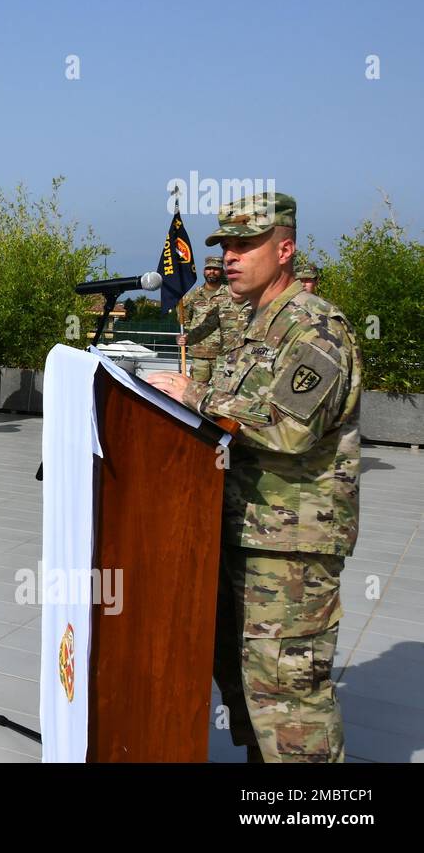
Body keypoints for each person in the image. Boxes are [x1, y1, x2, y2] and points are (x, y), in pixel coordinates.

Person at [146, 192, 361, 764]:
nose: (231, 257)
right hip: (242, 532)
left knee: (290, 703)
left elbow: (290, 430)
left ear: (285, 249)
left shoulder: (316, 328)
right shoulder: (258, 326)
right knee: (247, 689)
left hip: (290, 551)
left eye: (246, 245)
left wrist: (194, 393)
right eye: (224, 246)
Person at [176, 255, 251, 383]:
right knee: (197, 388)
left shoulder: (231, 293)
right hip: (199, 353)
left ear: (221, 271)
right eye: (209, 268)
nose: (212, 271)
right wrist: (188, 336)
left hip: (224, 353)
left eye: (216, 269)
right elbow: (183, 318)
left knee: (222, 389)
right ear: (203, 271)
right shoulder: (193, 295)